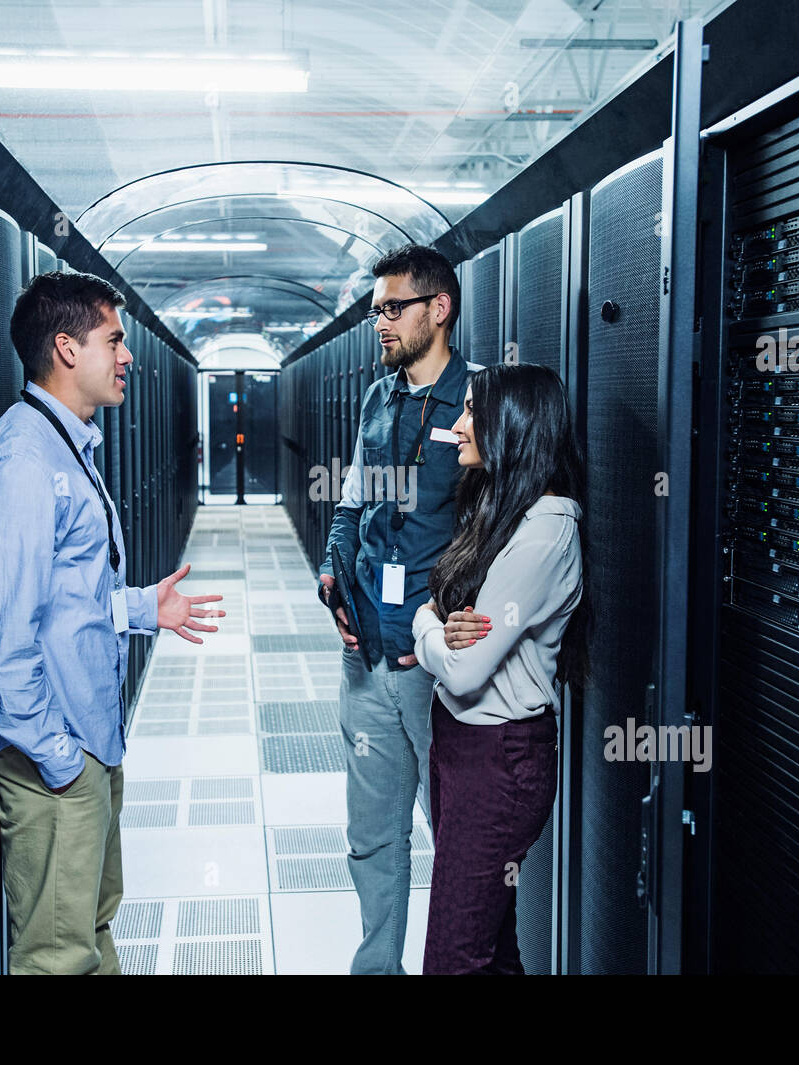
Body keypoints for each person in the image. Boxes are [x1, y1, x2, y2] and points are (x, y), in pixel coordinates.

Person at [0, 270, 224, 975]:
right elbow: (1, 632)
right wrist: (56, 756)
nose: (127, 356)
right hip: (56, 757)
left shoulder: (65, 445)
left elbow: (66, 603)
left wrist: (143, 607)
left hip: (89, 743)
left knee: (92, 928)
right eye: (115, 339)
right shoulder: (24, 460)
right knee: (58, 957)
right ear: (66, 348)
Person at [319, 244, 484, 974]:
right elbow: (354, 499)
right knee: (372, 839)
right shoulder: (377, 397)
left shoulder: (482, 401)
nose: (380, 323)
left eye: (393, 308)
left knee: (458, 842)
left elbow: (497, 526)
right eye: (375, 310)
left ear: (438, 309)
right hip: (367, 656)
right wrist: (333, 570)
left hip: (436, 664)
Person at [412, 361, 591, 975]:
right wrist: (433, 626)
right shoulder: (502, 508)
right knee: (490, 949)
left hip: (499, 759)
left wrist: (427, 633)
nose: (458, 427)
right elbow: (434, 614)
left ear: (511, 426)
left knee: (454, 958)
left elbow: (462, 672)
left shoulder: (544, 534)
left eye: (470, 413)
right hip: (464, 746)